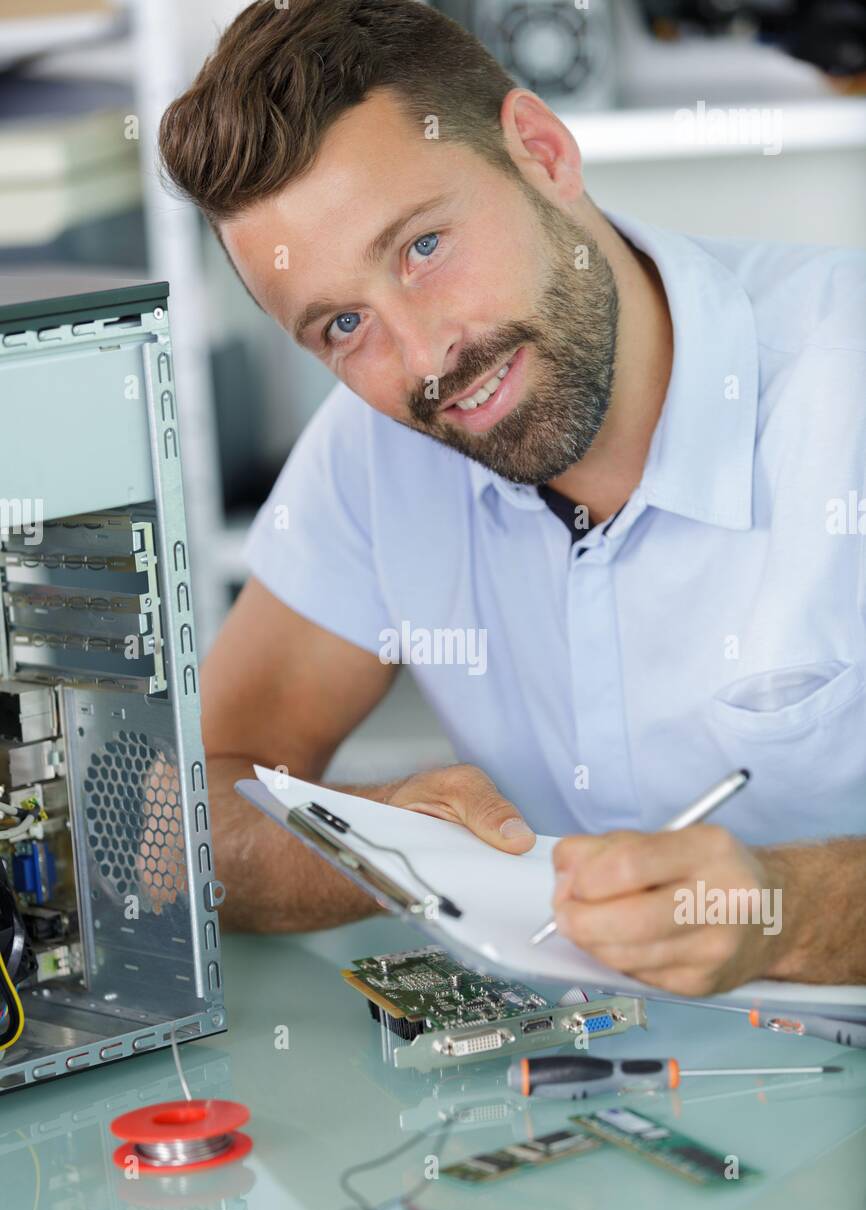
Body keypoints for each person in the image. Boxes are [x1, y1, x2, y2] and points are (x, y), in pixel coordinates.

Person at [158, 0, 866, 994]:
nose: (423, 356)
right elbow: (179, 819)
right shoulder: (368, 459)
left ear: (540, 151)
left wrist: (780, 911)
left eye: (423, 247)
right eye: (344, 323)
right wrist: (380, 845)